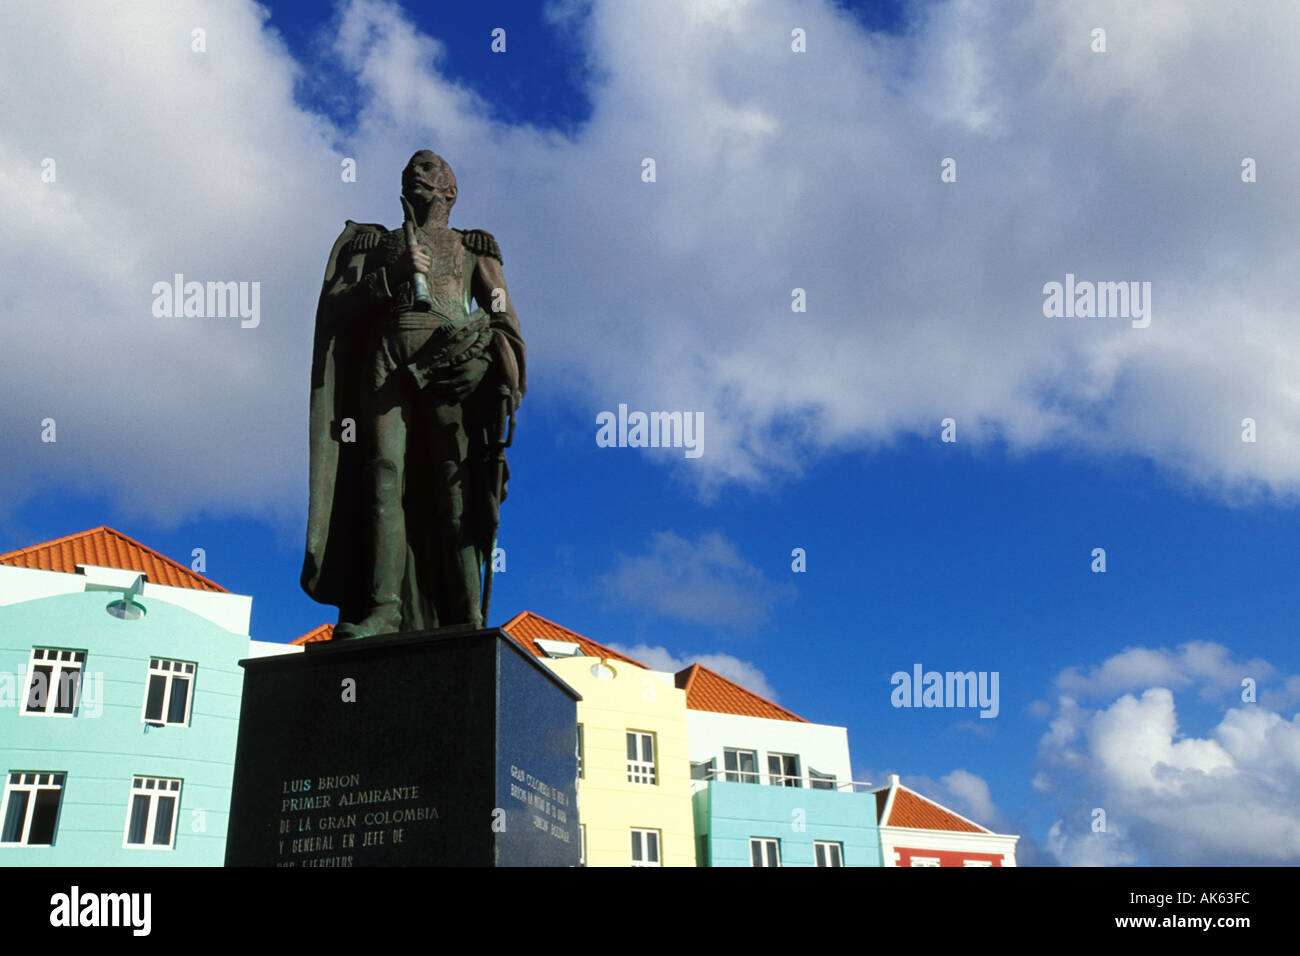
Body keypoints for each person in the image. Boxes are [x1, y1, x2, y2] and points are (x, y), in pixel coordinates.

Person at [302, 151, 525, 638]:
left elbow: (503, 320)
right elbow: (334, 309)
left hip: (447, 363)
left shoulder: (474, 248)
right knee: (382, 476)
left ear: (451, 191)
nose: (417, 175)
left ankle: (466, 618)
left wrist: (488, 365)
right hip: (385, 362)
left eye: (431, 171)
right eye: (411, 172)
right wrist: (390, 275)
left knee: (455, 489)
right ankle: (384, 610)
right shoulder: (376, 243)